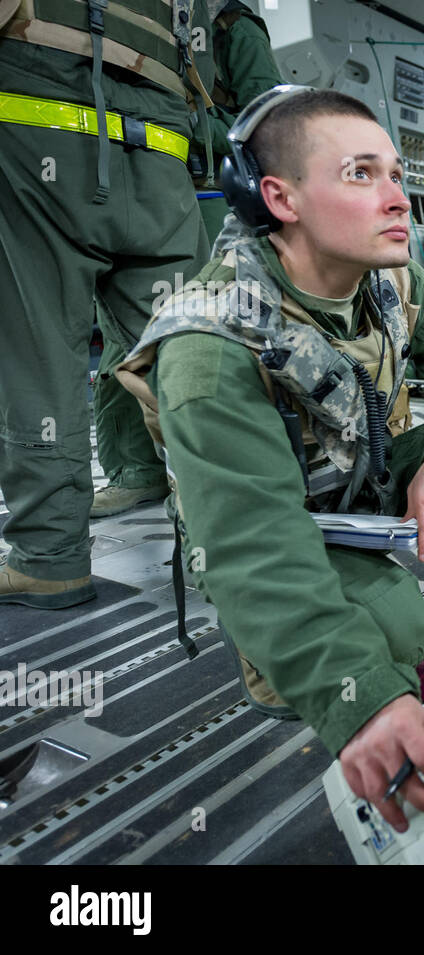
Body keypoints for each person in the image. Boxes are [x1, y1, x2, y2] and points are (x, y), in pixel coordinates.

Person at [115, 86, 424, 832]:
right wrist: (366, 701)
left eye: (396, 173)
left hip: (354, 494)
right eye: (361, 174)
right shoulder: (211, 347)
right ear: (279, 197)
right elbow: (255, 546)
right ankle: (283, 663)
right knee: (390, 626)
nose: (398, 198)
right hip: (270, 535)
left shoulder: (388, 279)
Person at [0, 0, 214, 607]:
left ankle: (50, 559)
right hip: (160, 144)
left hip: (34, 117)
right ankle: (235, 554)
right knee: (192, 361)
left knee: (38, 358)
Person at [91, 0, 287, 518]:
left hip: (203, 196)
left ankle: (214, 482)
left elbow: (267, 125)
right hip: (142, 181)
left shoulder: (229, 25)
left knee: (189, 337)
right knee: (120, 341)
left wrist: (185, 122)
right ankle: (138, 470)